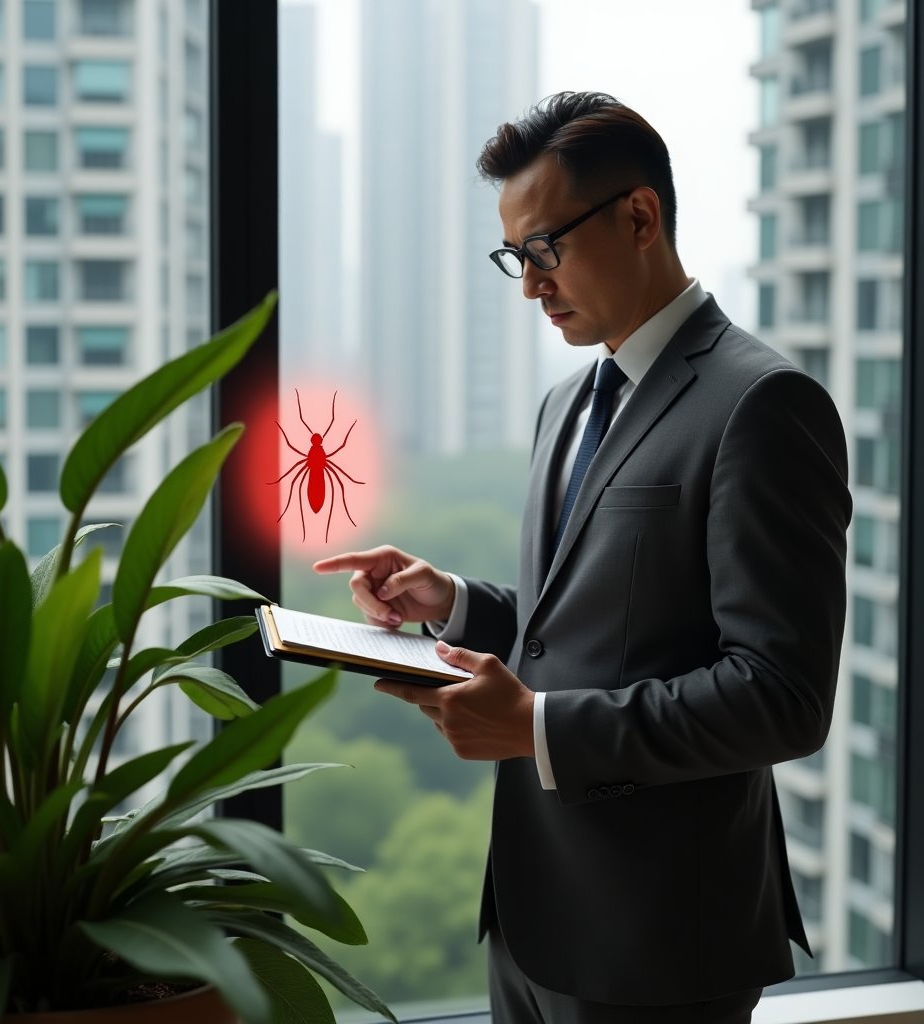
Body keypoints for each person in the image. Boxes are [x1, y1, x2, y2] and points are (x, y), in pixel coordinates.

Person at [314, 91, 852, 1024]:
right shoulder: (565, 402)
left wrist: (537, 727)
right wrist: (454, 602)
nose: (529, 285)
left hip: (661, 939)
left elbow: (781, 698)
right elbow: (586, 625)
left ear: (640, 217)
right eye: (513, 257)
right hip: (527, 916)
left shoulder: (764, 404)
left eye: (544, 249)